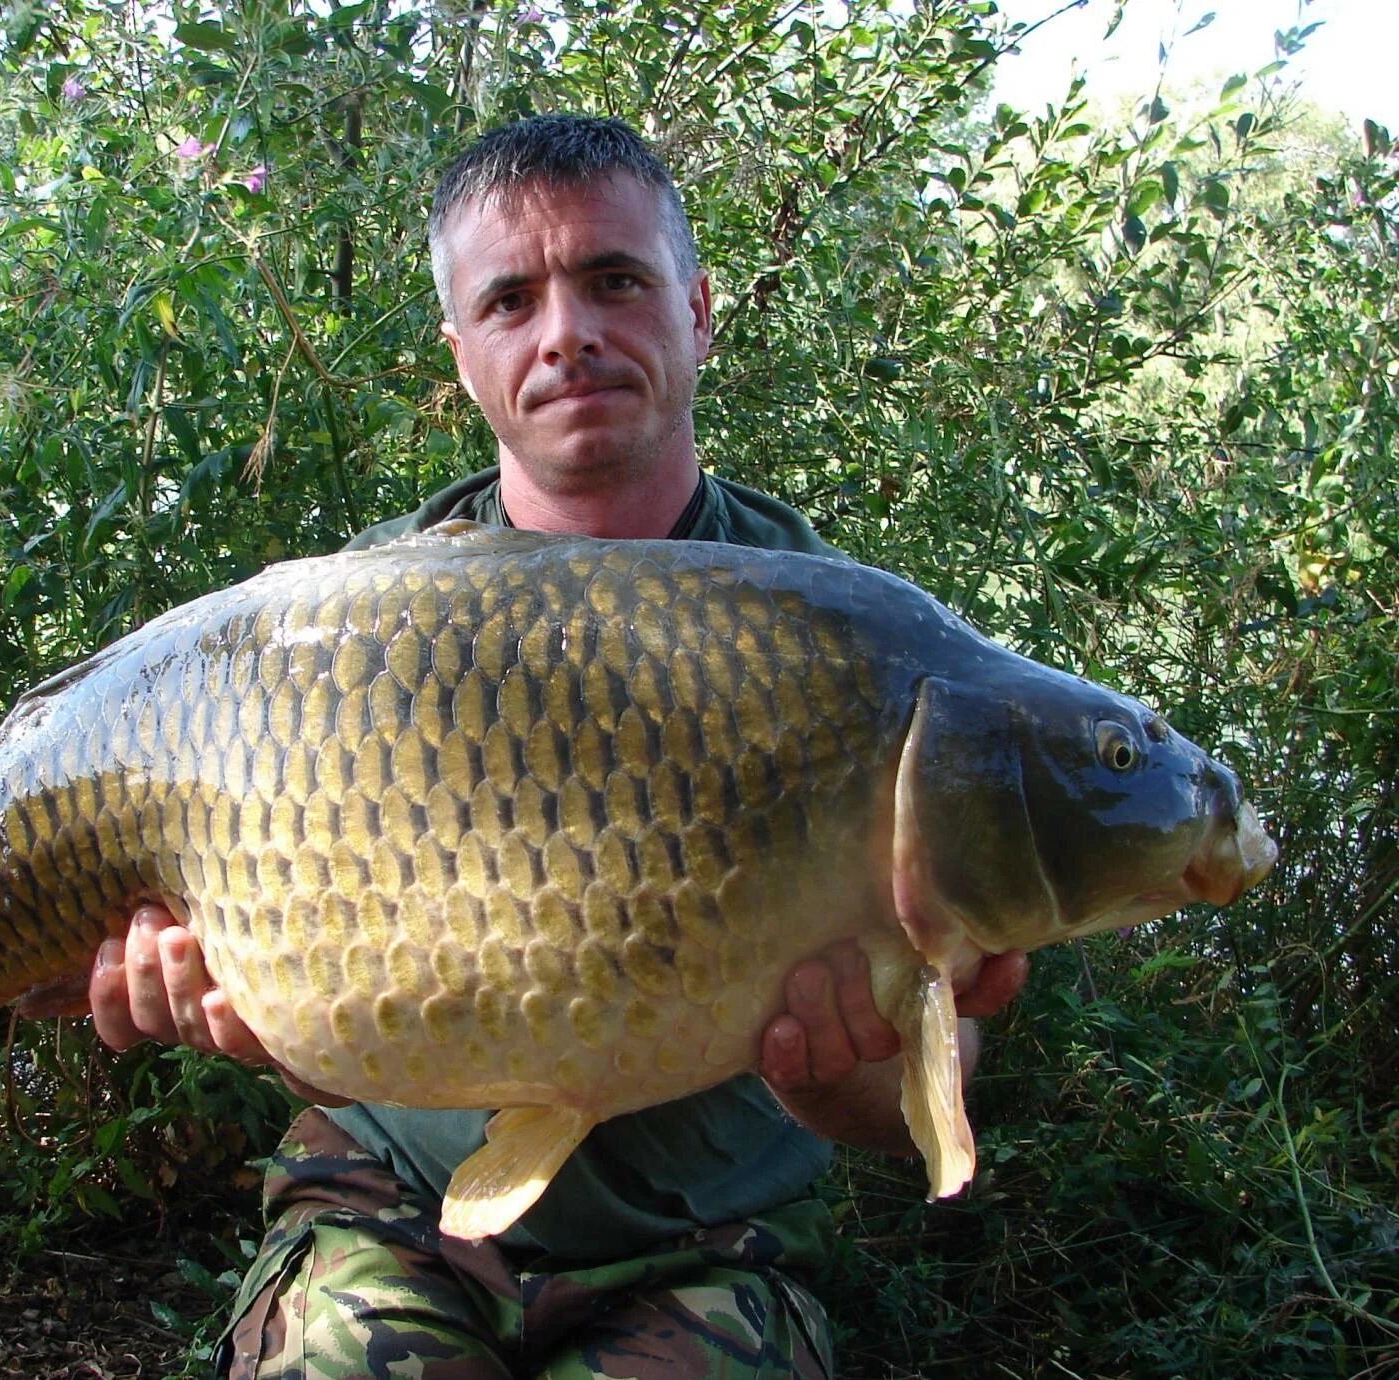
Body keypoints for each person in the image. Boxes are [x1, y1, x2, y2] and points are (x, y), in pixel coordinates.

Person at [69, 115, 1028, 1377]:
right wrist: (234, 1009)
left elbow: (924, 1091)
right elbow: (298, 999)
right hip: (387, 1209)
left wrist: (828, 1071)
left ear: (695, 308)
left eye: (613, 280)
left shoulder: (858, 646)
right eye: (511, 299)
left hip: (703, 1245)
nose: (565, 331)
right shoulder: (348, 632)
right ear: (463, 355)